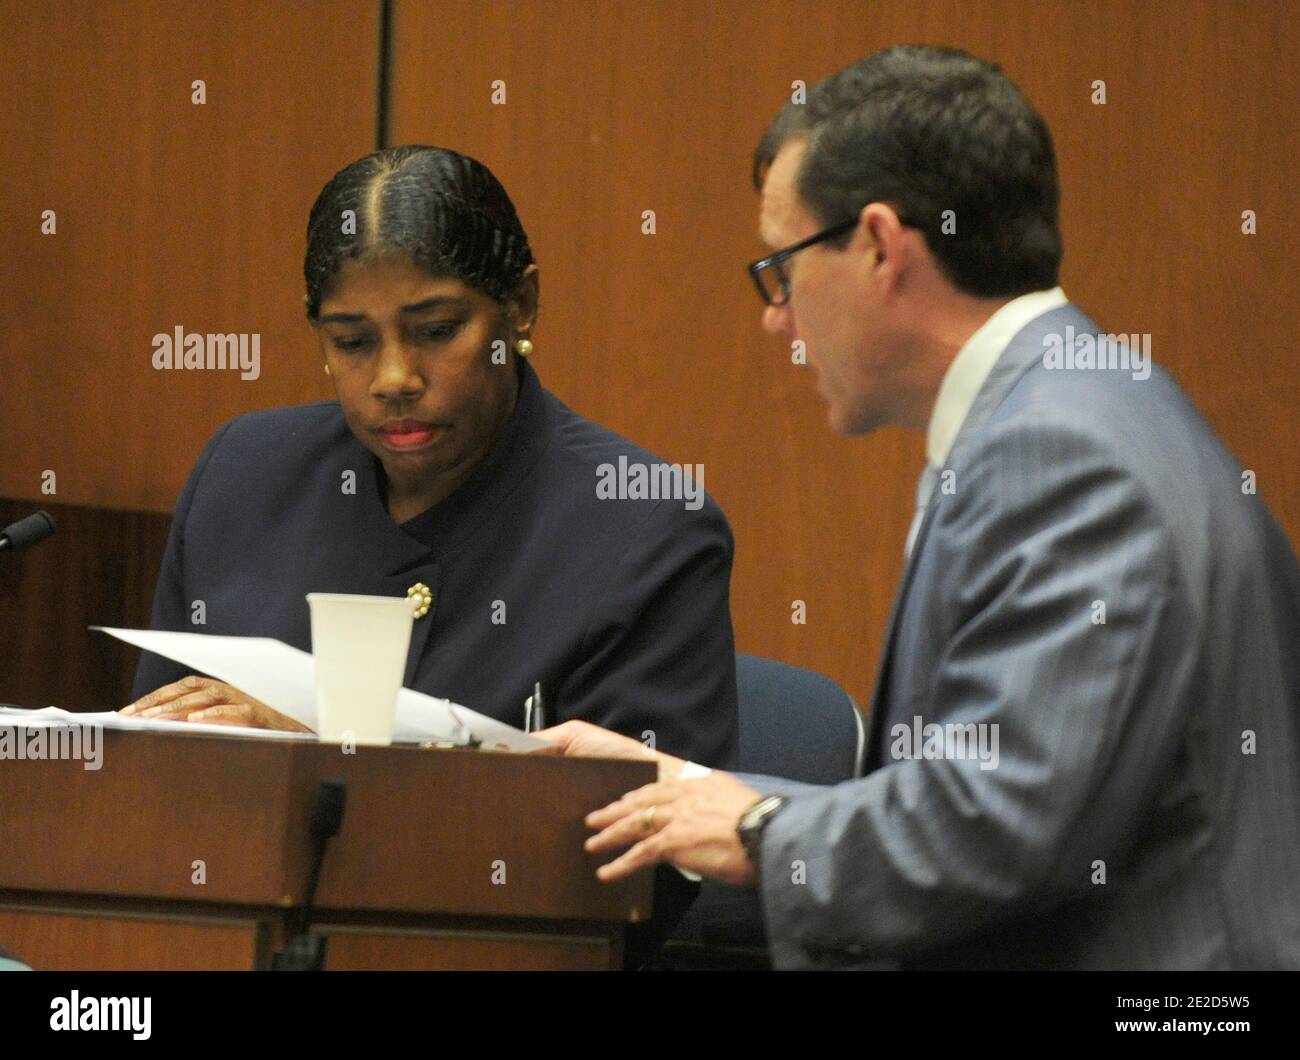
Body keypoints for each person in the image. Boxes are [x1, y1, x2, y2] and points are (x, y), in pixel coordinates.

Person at [540, 45, 1300, 969]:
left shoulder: (1055, 453)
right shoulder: (1077, 402)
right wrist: (697, 790)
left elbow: (1000, 829)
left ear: (880, 248)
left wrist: (759, 831)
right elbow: (994, 794)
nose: (775, 318)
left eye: (780, 270)